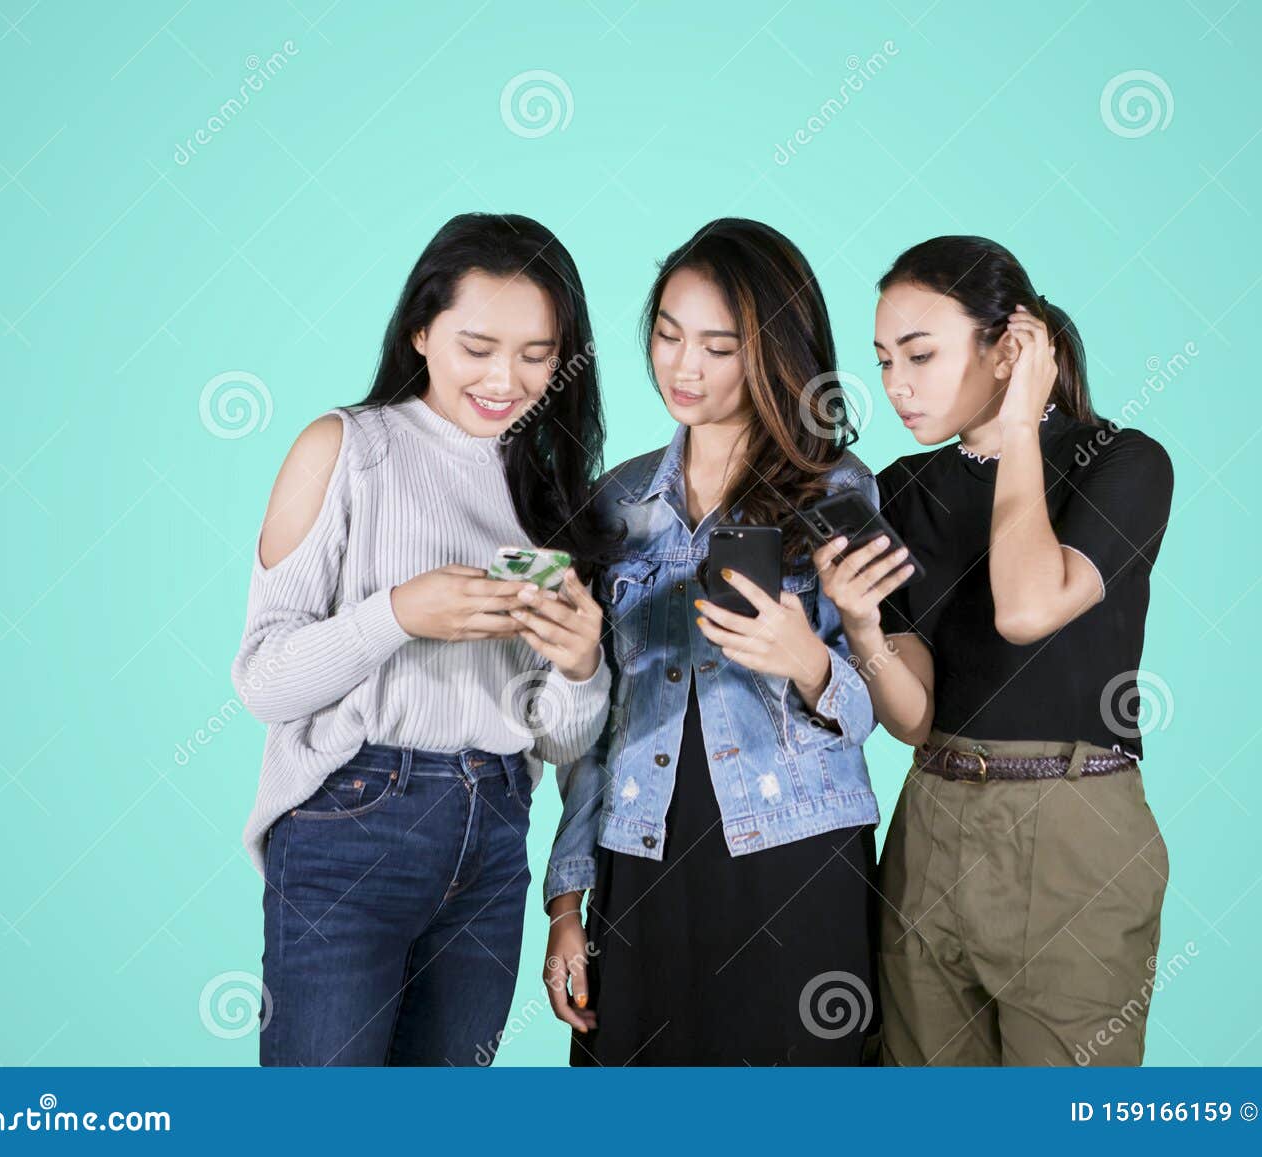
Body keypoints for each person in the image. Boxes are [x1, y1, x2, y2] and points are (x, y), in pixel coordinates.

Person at [233, 213, 611, 1066]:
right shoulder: (343, 448)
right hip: (353, 820)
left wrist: (581, 665)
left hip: (493, 837)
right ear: (420, 330)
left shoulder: (551, 492)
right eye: (476, 345)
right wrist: (397, 613)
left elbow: (558, 739)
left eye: (536, 353)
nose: (504, 378)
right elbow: (262, 680)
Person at [818, 235, 1174, 1066]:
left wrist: (1020, 423)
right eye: (883, 360)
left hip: (1072, 823)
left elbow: (1026, 607)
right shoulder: (904, 488)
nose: (896, 385)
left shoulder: (1122, 462)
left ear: (1010, 347)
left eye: (920, 355)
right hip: (933, 816)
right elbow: (913, 718)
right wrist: (863, 628)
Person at [543, 219, 882, 1066]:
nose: (683, 366)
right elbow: (590, 722)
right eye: (667, 334)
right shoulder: (613, 504)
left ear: (771, 354)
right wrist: (564, 902)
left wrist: (808, 661)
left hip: (797, 850)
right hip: (642, 851)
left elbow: (876, 701)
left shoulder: (838, 491)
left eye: (718, 346)